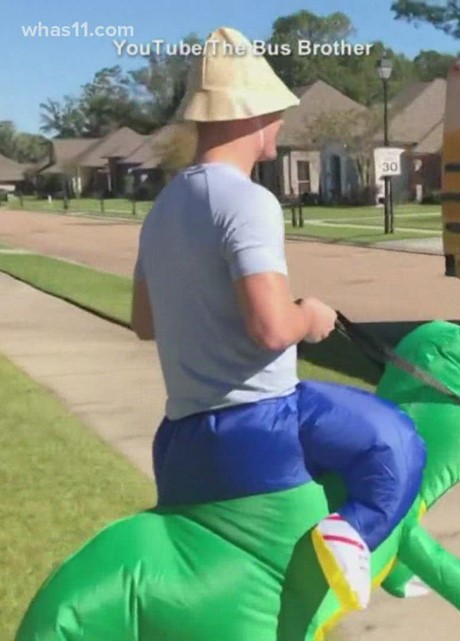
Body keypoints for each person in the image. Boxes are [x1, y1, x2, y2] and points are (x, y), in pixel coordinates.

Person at [129, 26, 425, 611]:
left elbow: (144, 322)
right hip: (258, 422)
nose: (281, 124)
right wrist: (309, 316)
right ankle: (349, 542)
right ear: (249, 114)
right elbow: (270, 328)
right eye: (274, 111)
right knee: (397, 441)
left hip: (180, 437)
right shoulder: (248, 201)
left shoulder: (162, 210)